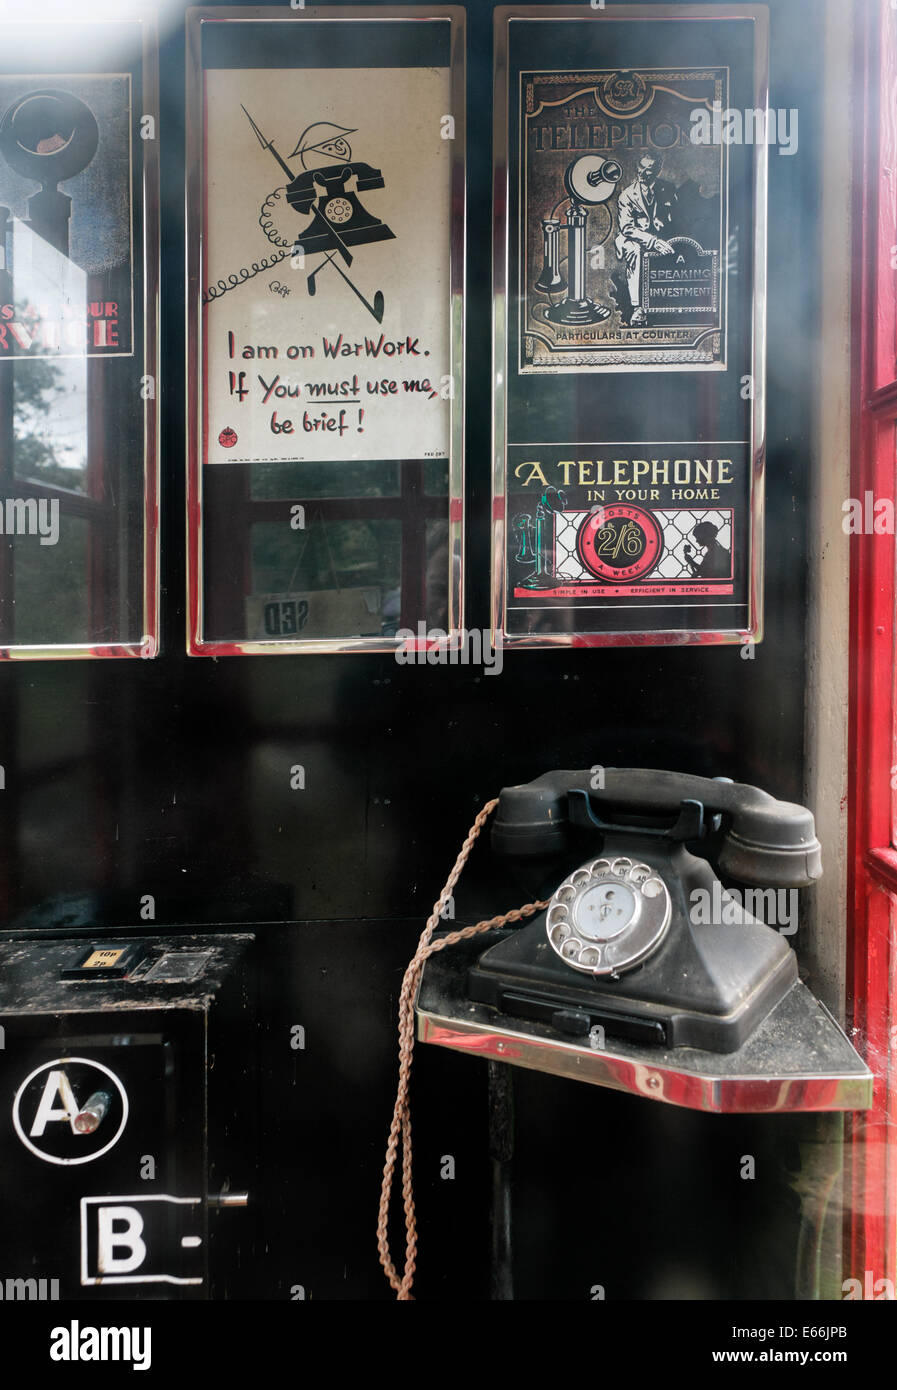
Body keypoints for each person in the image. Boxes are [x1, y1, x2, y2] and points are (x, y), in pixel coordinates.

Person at [613, 153, 677, 326]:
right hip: (631, 238)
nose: (642, 173)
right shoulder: (626, 196)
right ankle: (638, 307)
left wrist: (668, 230)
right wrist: (653, 241)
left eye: (648, 170)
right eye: (640, 168)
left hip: (661, 237)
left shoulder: (668, 189)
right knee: (634, 250)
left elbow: (676, 217)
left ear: (657, 170)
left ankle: (670, 302)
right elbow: (627, 228)